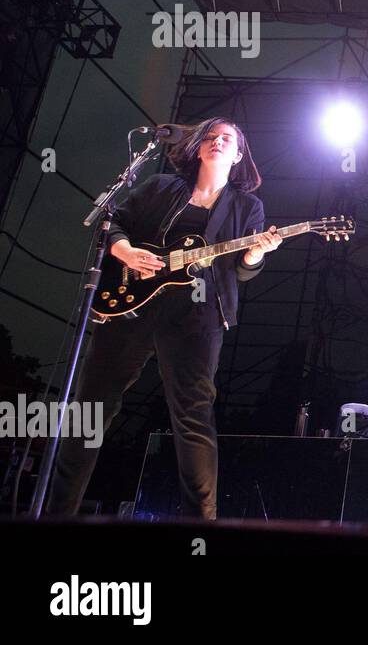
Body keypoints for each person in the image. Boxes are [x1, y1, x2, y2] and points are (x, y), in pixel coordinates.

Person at [46, 118, 282, 520]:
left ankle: (200, 526)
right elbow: (112, 222)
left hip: (198, 314)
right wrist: (124, 251)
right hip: (130, 305)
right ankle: (57, 514)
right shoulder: (159, 186)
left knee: (193, 415)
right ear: (198, 148)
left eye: (227, 139)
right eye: (210, 136)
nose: (217, 142)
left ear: (239, 155)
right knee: (91, 408)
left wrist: (257, 252)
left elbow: (242, 271)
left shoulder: (247, 206)